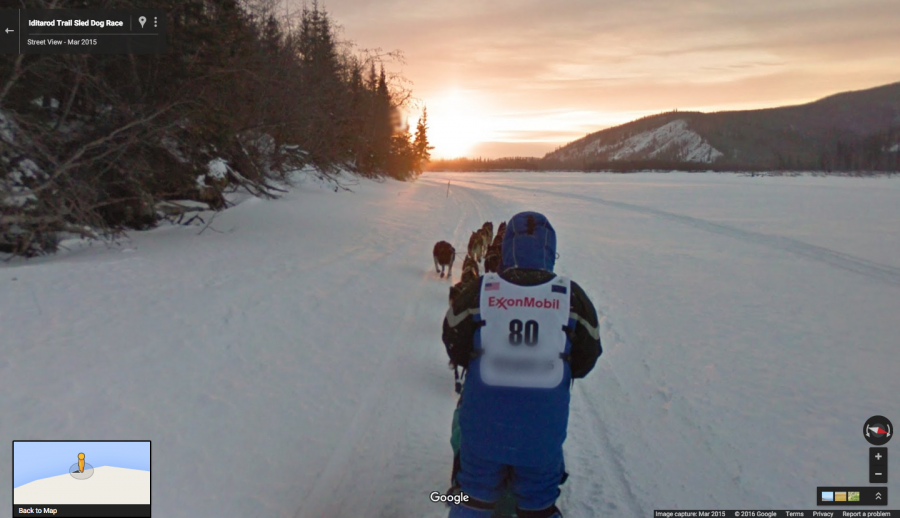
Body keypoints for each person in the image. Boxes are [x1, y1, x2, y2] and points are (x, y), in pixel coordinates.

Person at [442, 211, 603, 518]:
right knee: (538, 504)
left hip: (483, 427)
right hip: (543, 431)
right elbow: (587, 356)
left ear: (506, 248)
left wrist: (477, 364)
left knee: (472, 497)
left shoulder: (481, 290)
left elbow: (452, 339)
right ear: (549, 251)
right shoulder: (572, 297)